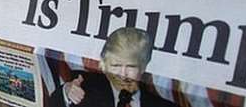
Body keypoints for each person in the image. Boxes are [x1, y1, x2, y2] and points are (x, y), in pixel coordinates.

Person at [50, 27, 179, 107]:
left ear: (143, 67)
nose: (122, 74)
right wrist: (66, 91)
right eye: (116, 65)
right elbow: (53, 103)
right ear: (105, 65)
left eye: (131, 66)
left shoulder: (163, 105)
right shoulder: (85, 87)